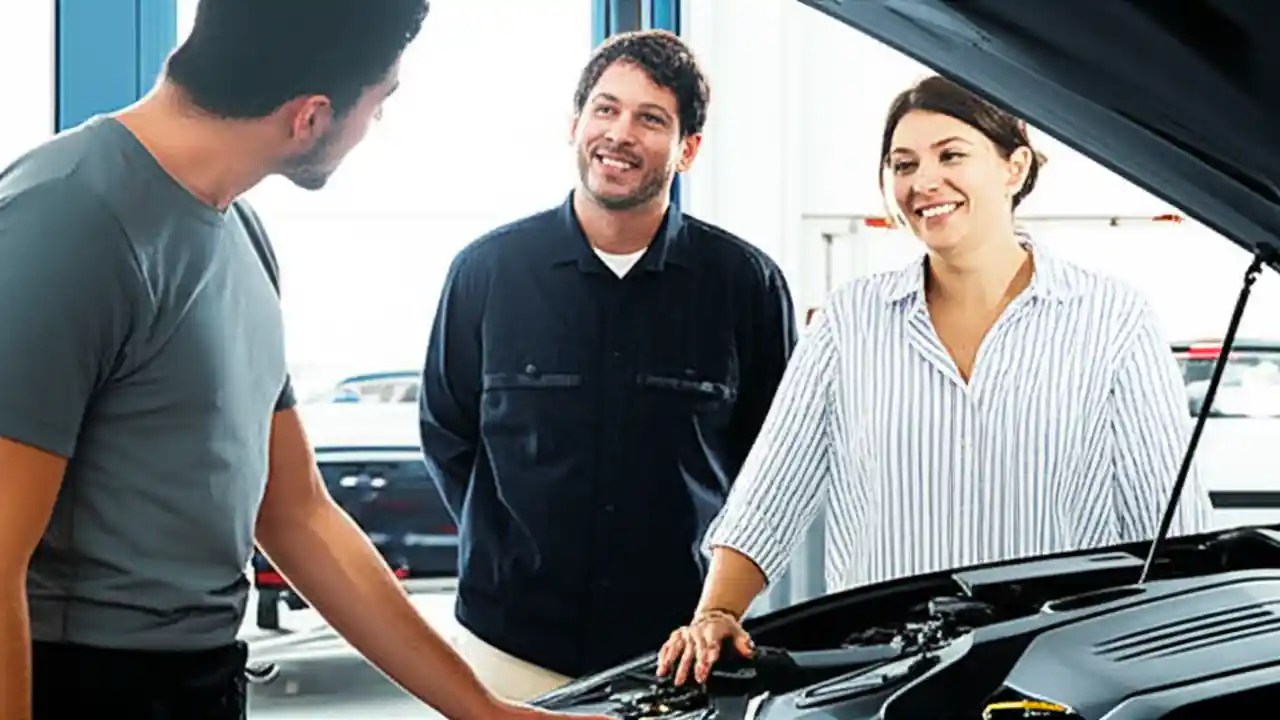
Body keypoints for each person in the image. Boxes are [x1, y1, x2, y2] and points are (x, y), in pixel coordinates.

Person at [0, 2, 608, 719]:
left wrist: (485, 711)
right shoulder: (67, 218)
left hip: (201, 679)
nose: (376, 123)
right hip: (81, 683)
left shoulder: (239, 230)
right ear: (311, 117)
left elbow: (297, 513)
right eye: (379, 103)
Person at [654, 74, 1215, 686]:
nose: (923, 182)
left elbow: (1174, 531)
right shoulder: (852, 319)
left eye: (951, 155)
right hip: (884, 680)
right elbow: (770, 497)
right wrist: (716, 612)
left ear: (1015, 167)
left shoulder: (1113, 318)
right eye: (904, 164)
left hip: (1055, 681)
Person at [418, 29, 798, 700]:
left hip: (678, 652)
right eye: (605, 108)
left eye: (650, 119)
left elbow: (772, 466)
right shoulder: (486, 273)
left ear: (688, 149)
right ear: (574, 123)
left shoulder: (746, 286)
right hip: (510, 644)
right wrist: (512, 549)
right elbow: (448, 437)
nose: (619, 134)